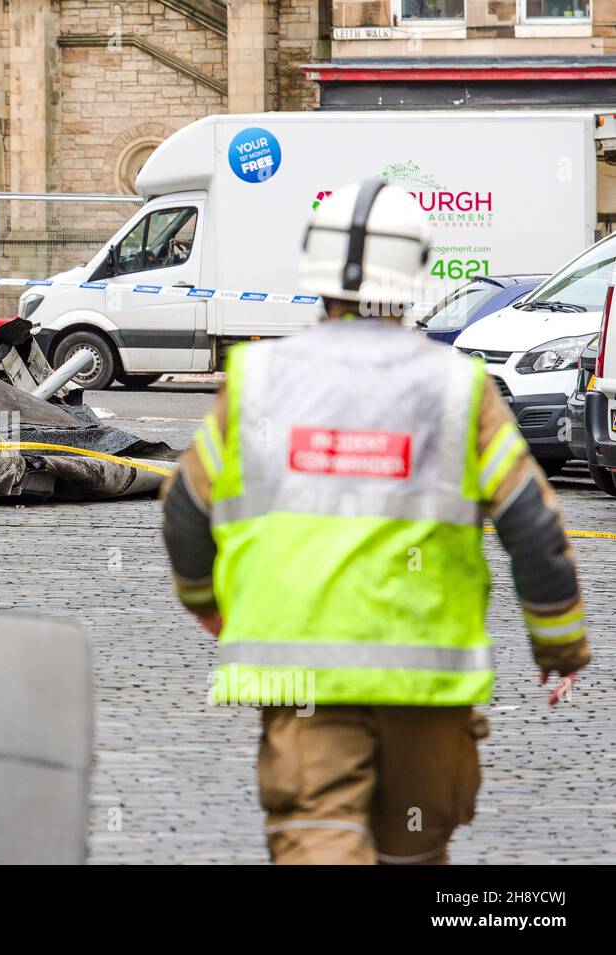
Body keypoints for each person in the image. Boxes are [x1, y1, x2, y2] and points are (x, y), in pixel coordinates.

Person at [161, 178, 591, 865]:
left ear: (316, 273)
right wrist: (560, 646)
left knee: (319, 840)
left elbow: (185, 510)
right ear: (415, 275)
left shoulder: (260, 380)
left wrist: (210, 606)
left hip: (303, 684)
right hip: (426, 687)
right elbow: (533, 526)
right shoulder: (458, 388)